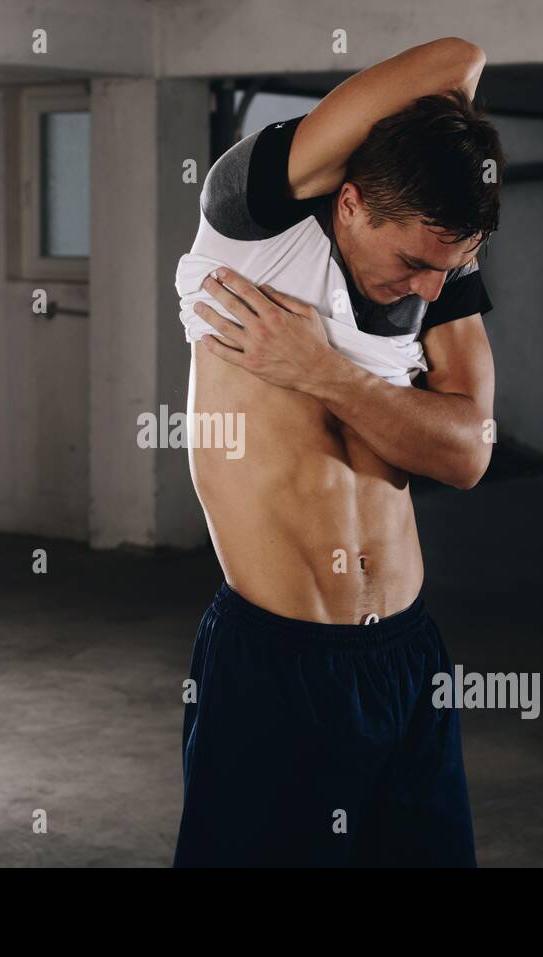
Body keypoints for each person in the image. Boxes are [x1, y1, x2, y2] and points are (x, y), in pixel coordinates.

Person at [172, 37, 504, 866]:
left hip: (405, 656)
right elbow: (461, 59)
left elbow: (468, 453)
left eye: (451, 267)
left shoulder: (435, 264)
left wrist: (325, 373)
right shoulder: (254, 217)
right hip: (276, 665)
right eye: (417, 263)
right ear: (352, 202)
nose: (435, 288)